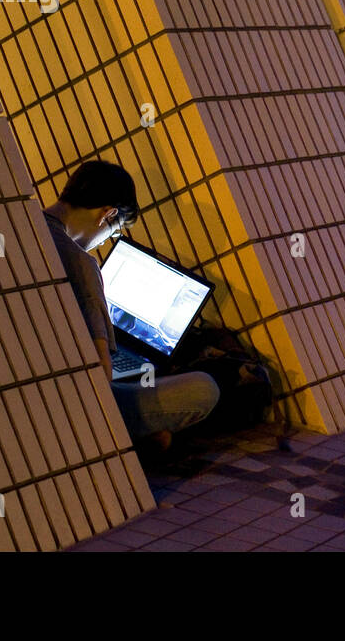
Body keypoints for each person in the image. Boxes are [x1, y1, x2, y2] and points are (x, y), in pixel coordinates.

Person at [43, 160, 218, 455]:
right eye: (113, 233)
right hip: (68, 408)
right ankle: (138, 444)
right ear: (107, 213)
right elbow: (101, 375)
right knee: (204, 387)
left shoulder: (19, 226)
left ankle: (147, 440)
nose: (103, 243)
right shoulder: (82, 265)